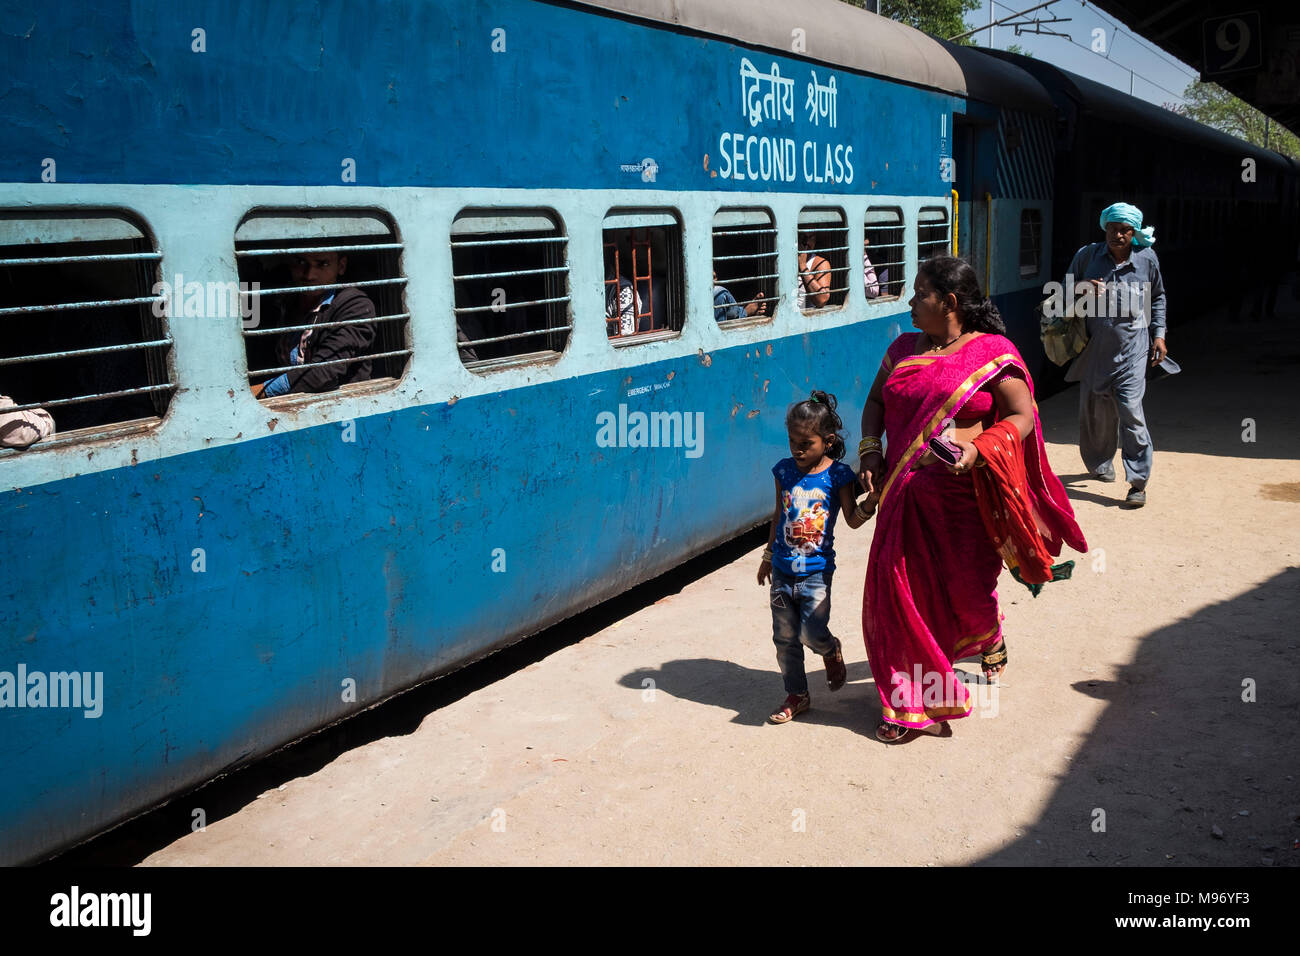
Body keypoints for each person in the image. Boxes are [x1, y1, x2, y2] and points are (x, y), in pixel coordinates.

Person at [857, 256, 1086, 743]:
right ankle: (909, 705)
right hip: (903, 499)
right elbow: (876, 402)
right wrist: (871, 451)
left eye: (921, 294)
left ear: (951, 303)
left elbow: (1022, 416)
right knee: (899, 596)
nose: (911, 301)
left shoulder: (992, 353)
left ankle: (989, 636)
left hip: (964, 504)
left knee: (966, 592)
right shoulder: (901, 349)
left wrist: (979, 449)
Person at [758, 390, 873, 724]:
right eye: (793, 441)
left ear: (827, 441)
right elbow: (778, 516)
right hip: (781, 570)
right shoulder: (783, 472)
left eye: (805, 443)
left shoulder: (838, 476)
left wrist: (871, 503)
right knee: (784, 638)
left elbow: (852, 519)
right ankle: (797, 695)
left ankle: (829, 649)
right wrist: (767, 555)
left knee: (811, 631)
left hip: (816, 573)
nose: (797, 450)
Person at [1063, 202, 1167, 507]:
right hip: (1094, 350)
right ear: (1105, 229)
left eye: (1124, 230)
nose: (1117, 235)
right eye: (1112, 229)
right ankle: (1099, 463)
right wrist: (1081, 286)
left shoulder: (1146, 259)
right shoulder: (1087, 256)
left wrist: (1159, 335)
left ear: (1133, 233)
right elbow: (1060, 293)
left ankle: (1138, 482)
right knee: (1095, 413)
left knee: (1131, 412)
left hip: (1134, 349)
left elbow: (1158, 296)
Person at [252, 250, 376, 398]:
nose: (309, 275)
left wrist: (260, 391)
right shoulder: (282, 301)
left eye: (322, 264)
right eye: (301, 262)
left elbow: (323, 371)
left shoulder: (356, 306)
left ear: (341, 266)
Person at [796, 231, 831, 310]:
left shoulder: (820, 263)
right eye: (802, 236)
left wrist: (802, 266)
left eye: (811, 237)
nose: (806, 242)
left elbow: (822, 299)